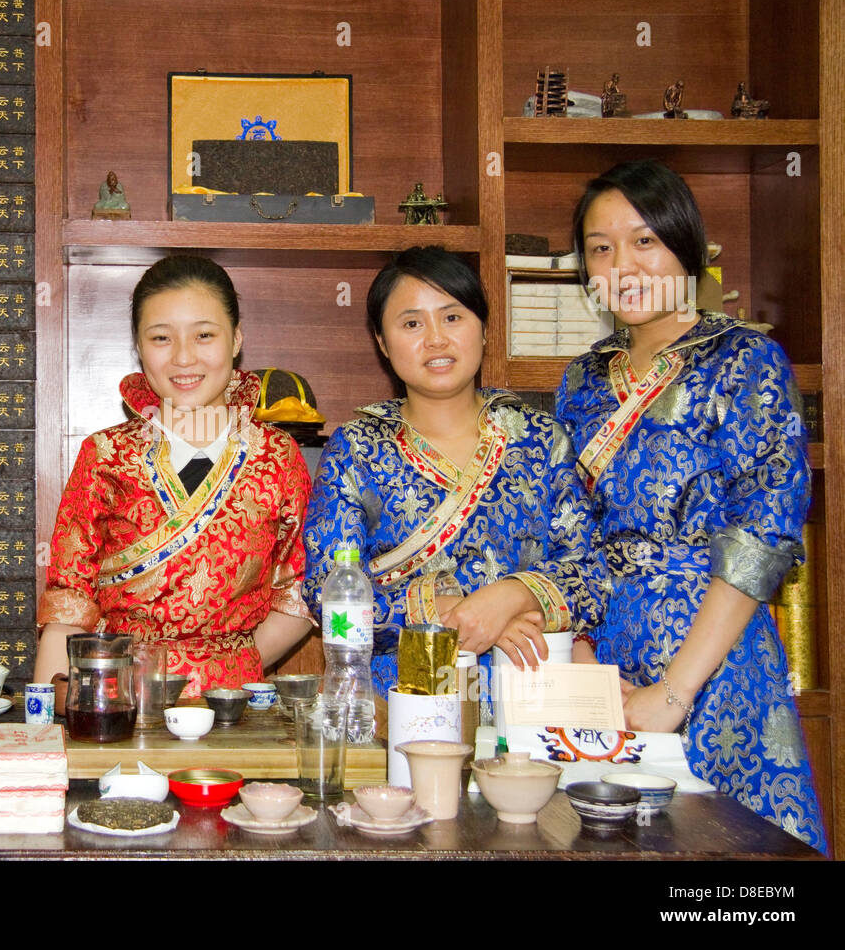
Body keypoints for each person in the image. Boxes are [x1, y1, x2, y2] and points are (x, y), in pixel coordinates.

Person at [557, 159, 825, 850]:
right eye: (601, 247)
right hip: (607, 670)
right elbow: (567, 532)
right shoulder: (583, 380)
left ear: (685, 244)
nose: (624, 264)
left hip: (714, 657)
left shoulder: (746, 362)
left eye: (644, 240)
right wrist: (585, 659)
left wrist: (674, 694)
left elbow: (762, 535)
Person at [304, 247, 606, 699]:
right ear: (383, 344)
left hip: (528, 693)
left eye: (452, 318)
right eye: (411, 324)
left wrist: (510, 598)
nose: (436, 340)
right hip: (400, 698)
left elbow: (591, 574)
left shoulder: (541, 439)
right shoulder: (358, 446)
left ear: (485, 329)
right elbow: (329, 599)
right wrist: (456, 614)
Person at [34, 256, 313, 696]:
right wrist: (44, 733)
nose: (184, 357)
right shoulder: (106, 453)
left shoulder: (277, 456)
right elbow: (69, 603)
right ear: (139, 347)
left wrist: (226, 670)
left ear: (236, 339)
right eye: (162, 338)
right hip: (119, 701)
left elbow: (296, 594)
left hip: (232, 708)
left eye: (204, 335)